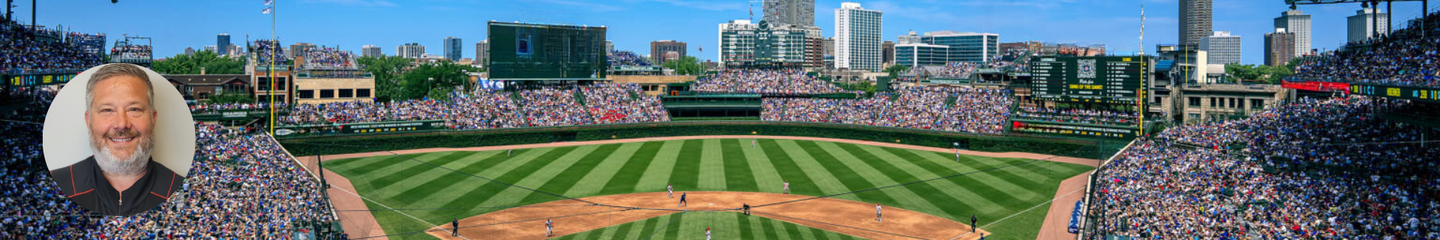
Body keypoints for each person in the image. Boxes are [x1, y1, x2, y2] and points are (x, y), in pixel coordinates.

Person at [49, 63, 185, 216]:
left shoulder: (178, 185)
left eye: (134, 109)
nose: (121, 125)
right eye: (107, 110)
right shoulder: (57, 181)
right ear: (89, 121)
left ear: (153, 119)